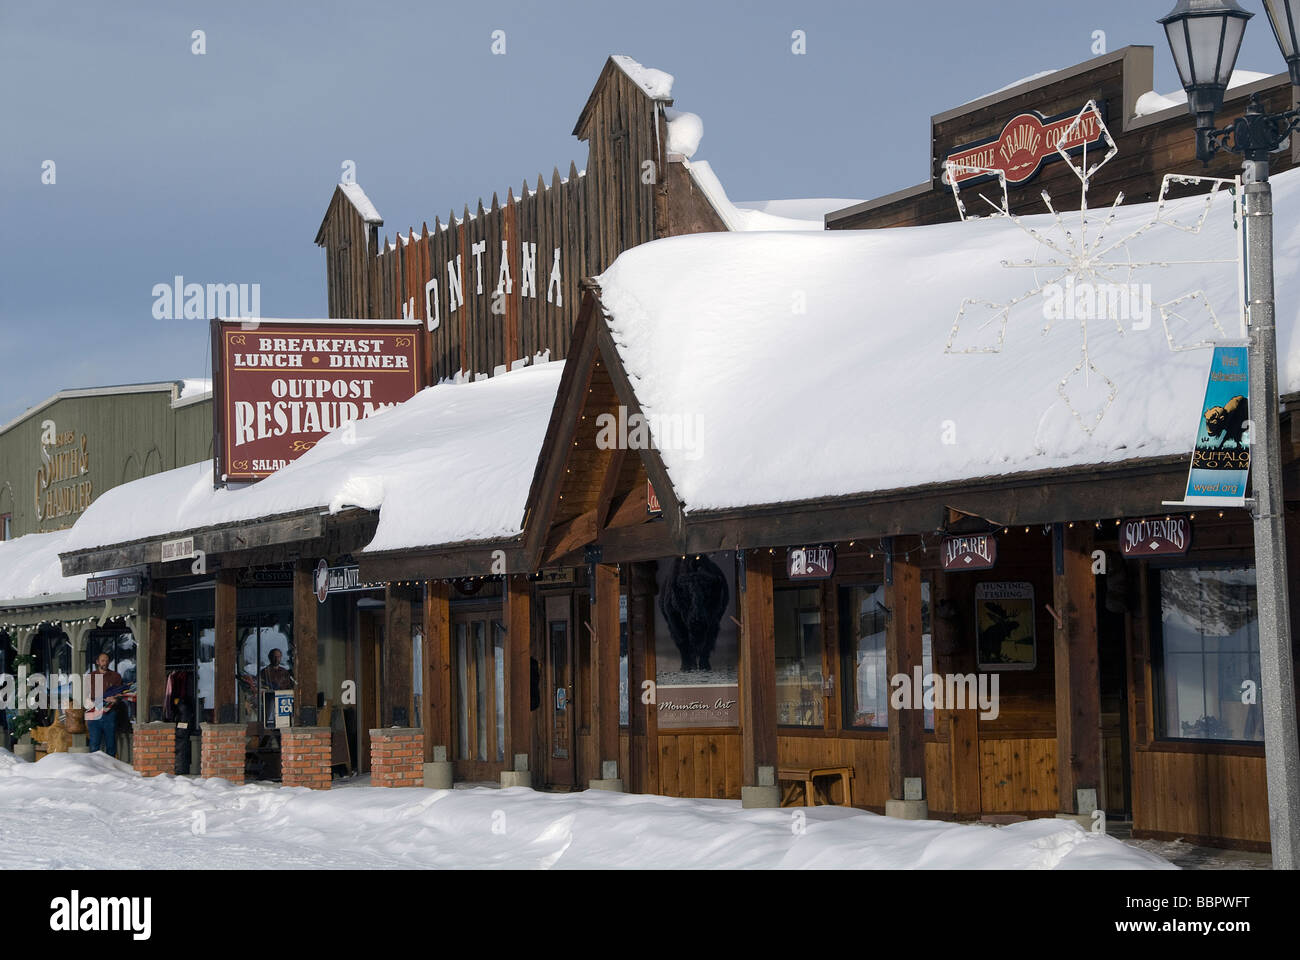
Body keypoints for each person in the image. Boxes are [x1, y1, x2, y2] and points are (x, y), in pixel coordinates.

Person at [84, 652, 123, 757]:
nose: (105, 663)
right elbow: (84, 694)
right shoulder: (90, 677)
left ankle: (110, 770)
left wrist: (115, 699)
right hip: (93, 713)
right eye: (102, 660)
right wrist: (89, 703)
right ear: (97, 662)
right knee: (94, 745)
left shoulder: (115, 676)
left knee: (111, 745)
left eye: (106, 660)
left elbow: (120, 694)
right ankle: (94, 770)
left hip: (109, 713)